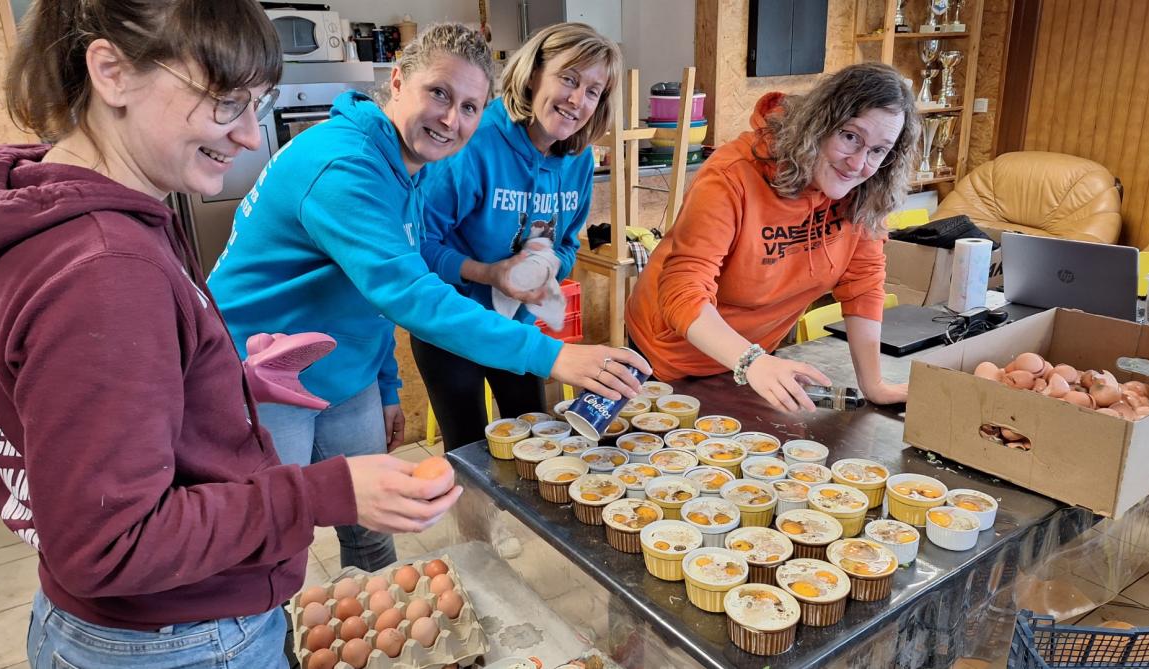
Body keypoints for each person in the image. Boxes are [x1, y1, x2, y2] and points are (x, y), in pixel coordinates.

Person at [0, 1, 462, 667]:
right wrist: (328, 490)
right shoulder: (105, 270)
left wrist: (220, 378)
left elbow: (88, 415)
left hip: (132, 625)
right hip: (173, 640)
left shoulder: (68, 215)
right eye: (227, 103)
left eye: (257, 106)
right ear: (112, 72)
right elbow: (109, 542)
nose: (252, 138)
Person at [207, 23, 648, 571]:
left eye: (469, 107)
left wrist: (385, 384)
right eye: (439, 93)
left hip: (345, 375)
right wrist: (555, 355)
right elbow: (410, 292)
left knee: (372, 533)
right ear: (397, 81)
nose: (451, 119)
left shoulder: (410, 168)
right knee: (273, 553)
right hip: (262, 378)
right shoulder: (346, 164)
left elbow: (372, 295)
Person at [625, 63, 919, 412]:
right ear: (820, 123)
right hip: (670, 359)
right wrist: (751, 361)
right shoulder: (732, 175)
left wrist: (874, 385)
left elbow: (863, 284)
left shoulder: (867, 189)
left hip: (754, 361)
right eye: (850, 137)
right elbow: (683, 291)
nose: (858, 164)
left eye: (878, 151)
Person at [415, 23, 621, 450]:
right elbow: (419, 246)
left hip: (518, 327)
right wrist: (490, 274)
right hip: (451, 323)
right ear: (533, 75)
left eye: (592, 91)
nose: (576, 100)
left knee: (535, 442)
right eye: (568, 79)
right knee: (469, 452)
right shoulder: (475, 141)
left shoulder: (579, 159)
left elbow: (569, 243)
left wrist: (547, 266)